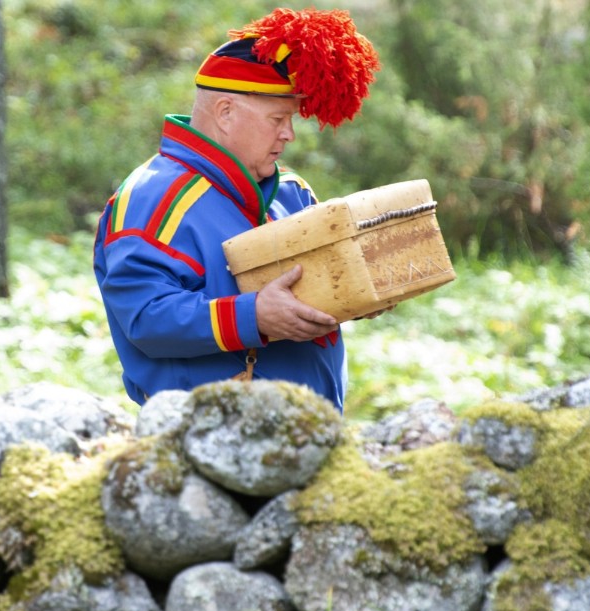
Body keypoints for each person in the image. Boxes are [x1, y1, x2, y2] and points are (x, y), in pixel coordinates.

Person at [93, 8, 380, 412]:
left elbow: (319, 293)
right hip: (202, 443)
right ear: (226, 113)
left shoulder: (293, 192)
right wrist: (254, 316)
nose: (289, 134)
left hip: (311, 432)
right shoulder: (152, 197)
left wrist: (360, 291)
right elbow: (144, 317)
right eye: (278, 118)